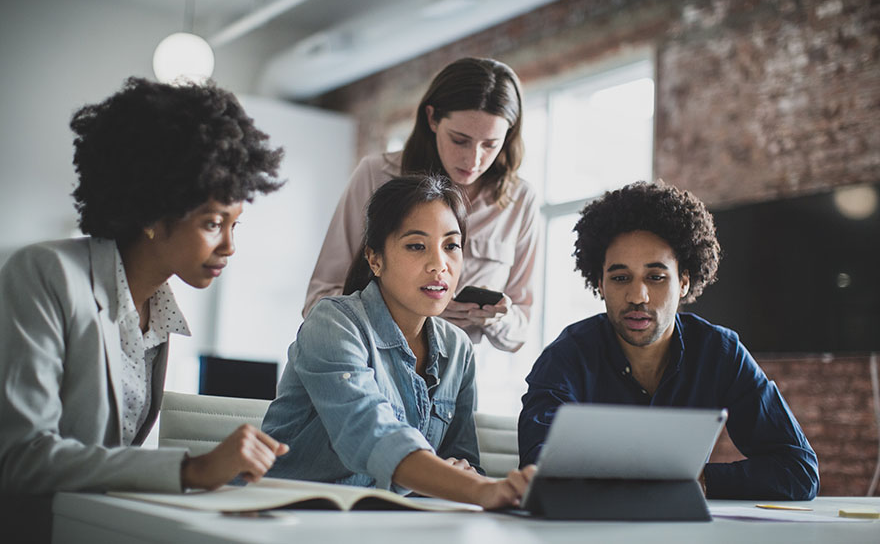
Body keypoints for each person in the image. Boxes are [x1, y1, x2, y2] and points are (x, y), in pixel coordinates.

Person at [0, 78, 290, 506]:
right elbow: (21, 457)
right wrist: (191, 470)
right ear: (152, 212)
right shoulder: (45, 273)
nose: (230, 247)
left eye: (234, 225)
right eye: (212, 223)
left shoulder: (159, 313)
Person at [518, 181, 819, 501]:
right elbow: (538, 467)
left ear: (684, 282)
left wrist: (696, 479)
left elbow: (798, 470)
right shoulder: (566, 357)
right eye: (620, 278)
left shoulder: (719, 353)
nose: (637, 296)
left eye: (656, 277)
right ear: (600, 284)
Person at [263, 175, 535, 508]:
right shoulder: (332, 323)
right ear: (375, 259)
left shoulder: (458, 349)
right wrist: (479, 488)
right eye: (416, 246)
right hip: (287, 516)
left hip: (388, 524)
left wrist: (462, 472)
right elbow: (370, 434)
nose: (440, 266)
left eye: (451, 246)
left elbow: (461, 458)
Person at [303, 57, 539, 353]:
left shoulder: (521, 201)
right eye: (460, 140)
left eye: (490, 144)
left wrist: (496, 319)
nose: (473, 159)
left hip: (461, 384)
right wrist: (412, 311)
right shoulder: (375, 175)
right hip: (374, 371)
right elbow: (319, 300)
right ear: (432, 119)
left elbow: (522, 331)